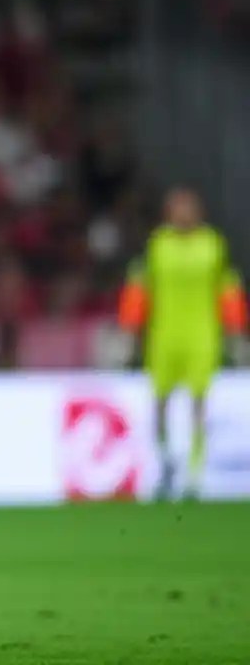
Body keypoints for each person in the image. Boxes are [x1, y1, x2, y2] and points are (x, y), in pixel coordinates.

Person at [119, 187, 246, 501]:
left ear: (198, 211)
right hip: (163, 335)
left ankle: (195, 471)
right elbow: (140, 287)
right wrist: (128, 331)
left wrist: (236, 333)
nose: (182, 214)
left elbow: (227, 289)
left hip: (202, 334)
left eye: (187, 207)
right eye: (177, 208)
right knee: (159, 403)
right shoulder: (158, 245)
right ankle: (165, 461)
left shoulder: (212, 245)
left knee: (198, 402)